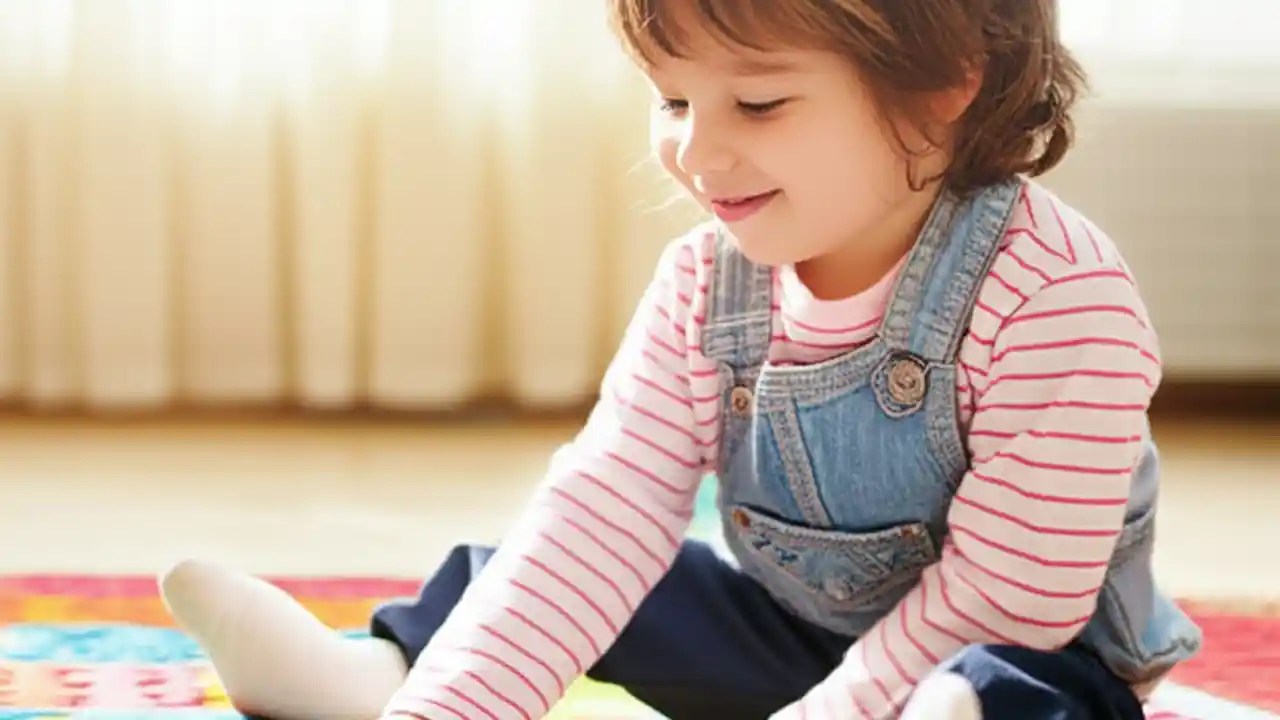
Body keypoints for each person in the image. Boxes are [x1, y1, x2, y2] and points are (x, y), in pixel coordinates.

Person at [158, 1, 1204, 718]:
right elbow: (605, 508)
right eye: (671, 100)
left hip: (1022, 659)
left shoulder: (1055, 294)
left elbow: (1015, 594)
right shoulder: (706, 283)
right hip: (796, 643)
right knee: (542, 564)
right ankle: (376, 678)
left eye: (756, 105)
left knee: (1006, 689)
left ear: (943, 87)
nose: (696, 155)